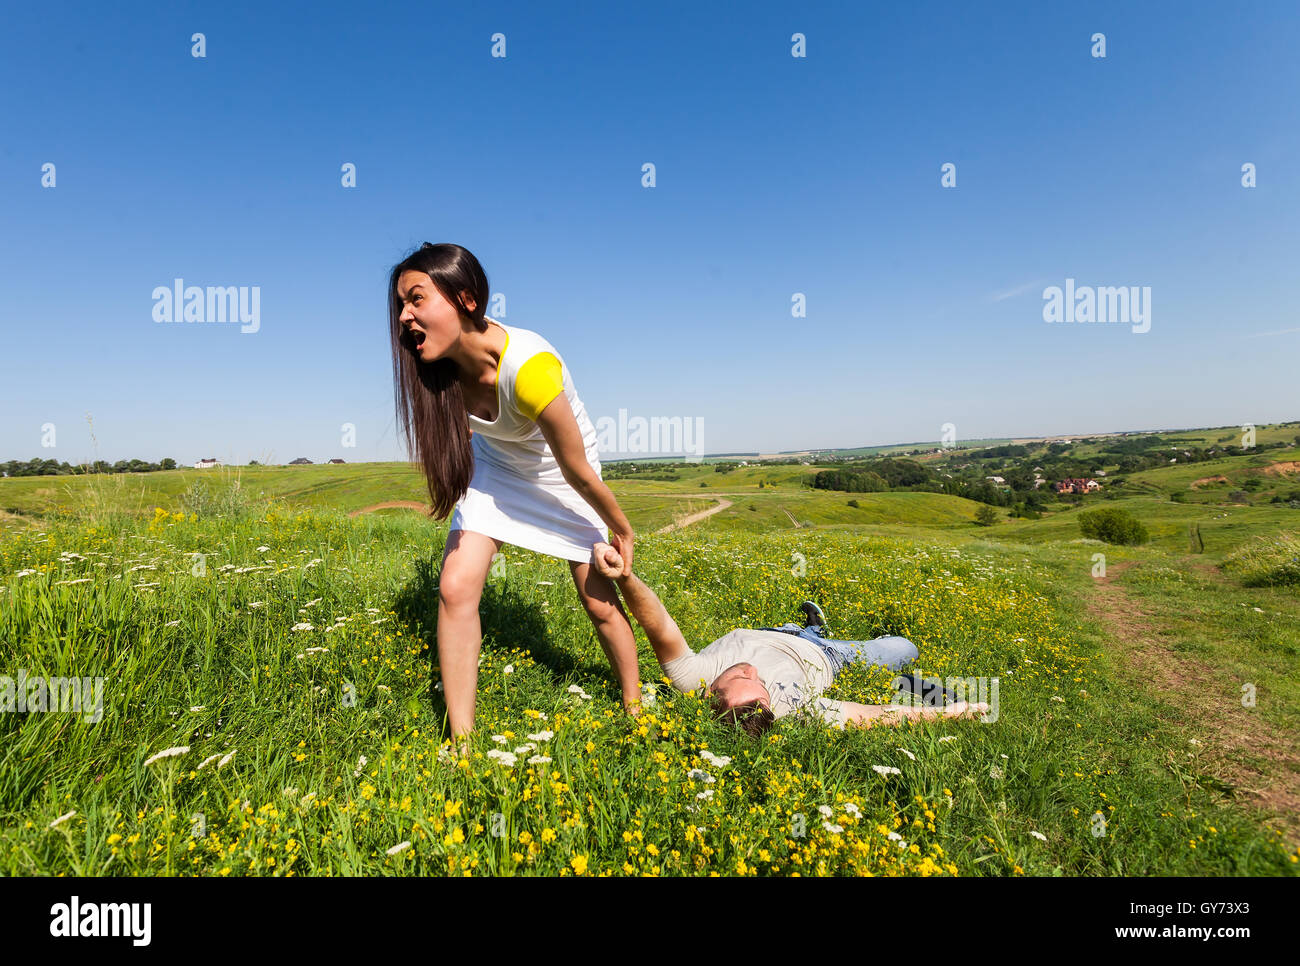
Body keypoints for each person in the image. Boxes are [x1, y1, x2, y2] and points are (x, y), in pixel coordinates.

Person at [388, 243, 642, 740]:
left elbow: (578, 470)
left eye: (416, 299)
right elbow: (465, 438)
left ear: (466, 299)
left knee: (597, 598)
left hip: (559, 470)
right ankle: (461, 743)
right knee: (455, 586)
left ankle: (635, 706)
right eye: (400, 304)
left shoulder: (530, 370)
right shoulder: (438, 373)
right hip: (498, 465)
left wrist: (622, 528)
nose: (404, 316)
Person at [589, 542, 989, 736]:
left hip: (772, 635)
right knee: (905, 648)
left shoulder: (692, 677)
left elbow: (657, 625)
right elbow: (877, 715)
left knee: (790, 633)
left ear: (714, 692)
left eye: (745, 678)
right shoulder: (794, 711)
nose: (754, 672)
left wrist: (625, 576)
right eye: (758, 684)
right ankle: (815, 630)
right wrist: (954, 711)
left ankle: (803, 626)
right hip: (830, 657)